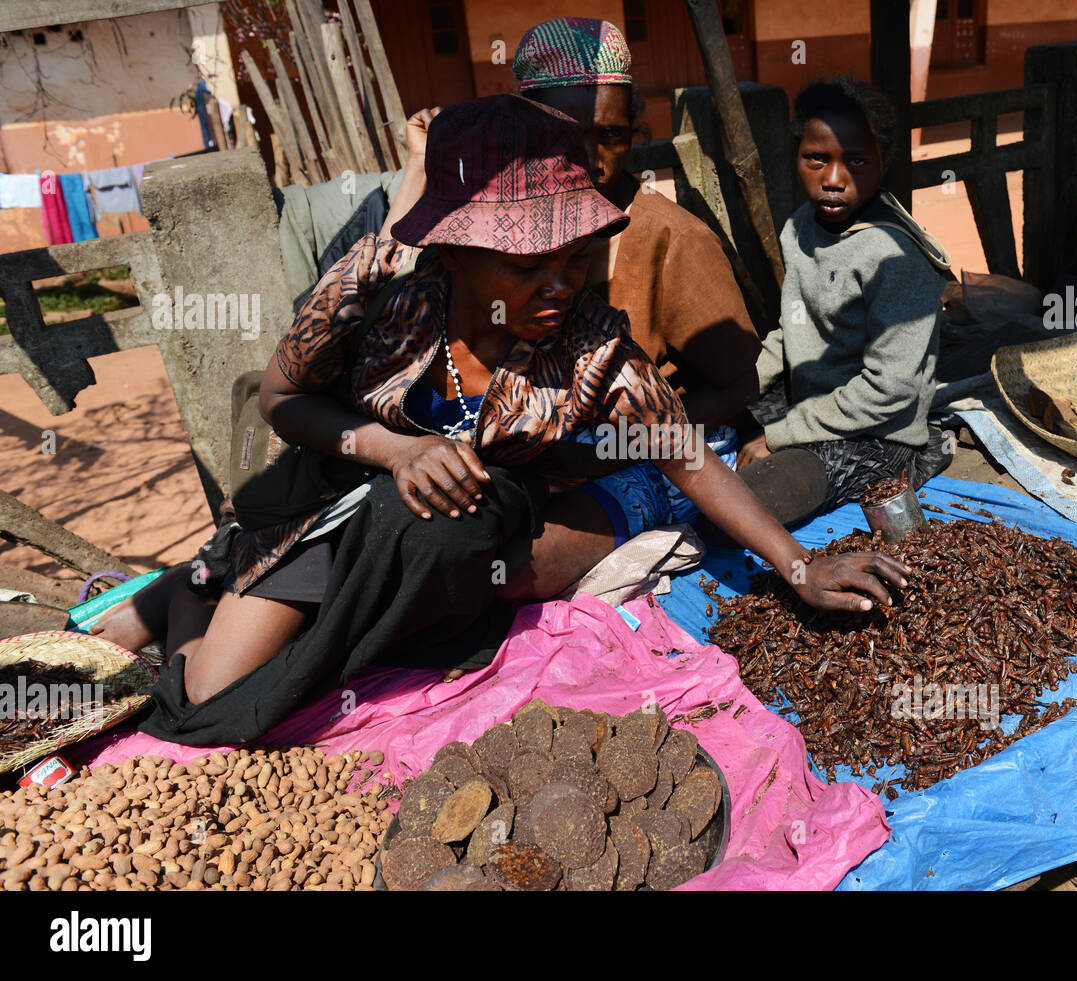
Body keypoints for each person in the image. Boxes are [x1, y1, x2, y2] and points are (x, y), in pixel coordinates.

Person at [95, 95, 910, 745]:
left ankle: (337, 595)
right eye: (528, 266)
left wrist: (799, 568)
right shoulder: (382, 297)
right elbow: (279, 399)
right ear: (452, 253)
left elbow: (686, 453)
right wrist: (393, 447)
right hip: (334, 504)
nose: (559, 285)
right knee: (211, 698)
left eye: (576, 258)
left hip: (466, 529)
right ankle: (192, 588)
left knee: (445, 543)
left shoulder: (589, 341)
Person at [380, 17, 761, 603]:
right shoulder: (484, 240)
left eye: (610, 135)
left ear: (635, 133)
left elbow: (738, 385)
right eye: (564, 133)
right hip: (529, 457)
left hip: (650, 453)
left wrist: (610, 449)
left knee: (504, 575)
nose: (590, 156)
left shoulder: (671, 239)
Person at [734, 76, 954, 525]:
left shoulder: (896, 258)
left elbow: (890, 390)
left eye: (855, 161)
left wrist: (778, 437)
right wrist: (739, 384)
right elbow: (792, 329)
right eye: (817, 158)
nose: (833, 180)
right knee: (694, 430)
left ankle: (923, 456)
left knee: (747, 506)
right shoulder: (799, 227)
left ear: (883, 163)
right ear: (798, 156)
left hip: (879, 435)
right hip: (809, 405)